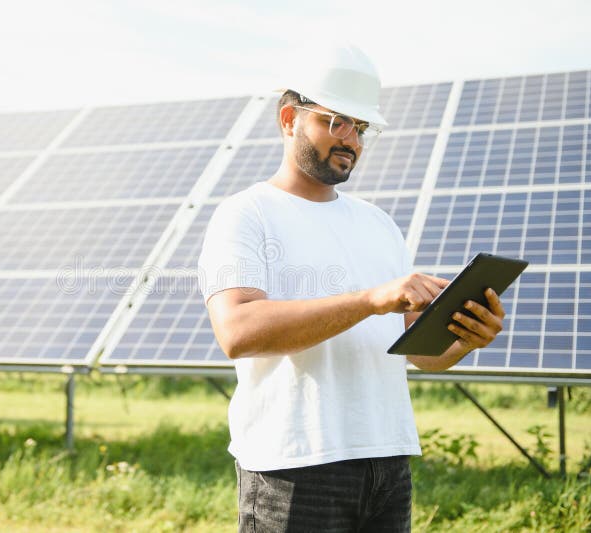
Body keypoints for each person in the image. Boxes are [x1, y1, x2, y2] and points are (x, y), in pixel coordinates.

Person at [197, 44, 506, 532]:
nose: (351, 141)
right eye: (336, 121)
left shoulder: (378, 223)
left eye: (361, 129)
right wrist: (368, 300)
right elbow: (237, 330)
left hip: (388, 461)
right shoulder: (244, 214)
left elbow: (419, 353)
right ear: (288, 118)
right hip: (293, 467)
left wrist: (464, 338)